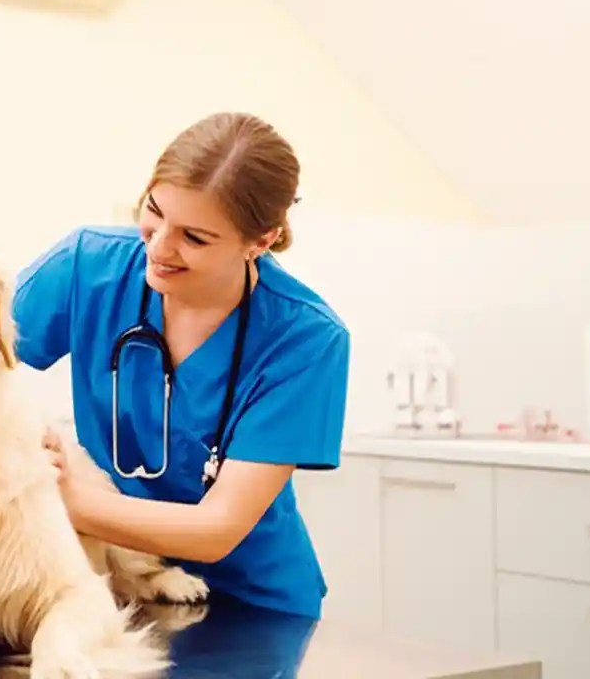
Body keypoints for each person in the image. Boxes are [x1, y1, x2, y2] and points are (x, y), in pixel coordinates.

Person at [23, 111, 350, 621]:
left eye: (194, 238)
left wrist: (69, 501)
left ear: (260, 241)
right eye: (153, 212)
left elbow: (218, 529)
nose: (158, 247)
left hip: (249, 607)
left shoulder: (303, 338)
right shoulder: (87, 266)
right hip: (112, 588)